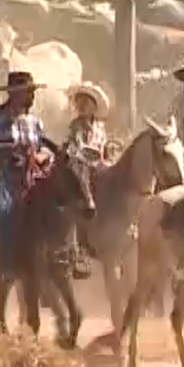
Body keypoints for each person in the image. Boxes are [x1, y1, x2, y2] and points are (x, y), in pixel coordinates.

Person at [0, 69, 49, 276]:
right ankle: (6, 263)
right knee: (3, 208)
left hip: (32, 174)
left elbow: (42, 148)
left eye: (32, 91)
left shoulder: (34, 121)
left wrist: (42, 157)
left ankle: (64, 256)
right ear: (14, 93)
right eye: (28, 92)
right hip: (4, 174)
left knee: (61, 201)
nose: (32, 96)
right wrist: (8, 149)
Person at [62, 81, 113, 282]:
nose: (82, 104)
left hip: (98, 166)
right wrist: (85, 154)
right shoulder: (75, 126)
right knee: (78, 174)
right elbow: (76, 148)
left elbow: (105, 148)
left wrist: (108, 155)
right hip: (79, 166)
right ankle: (78, 250)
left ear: (94, 106)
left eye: (86, 101)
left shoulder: (100, 128)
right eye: (79, 101)